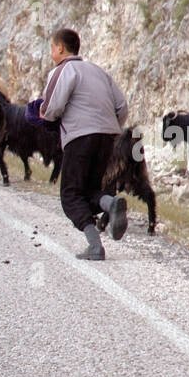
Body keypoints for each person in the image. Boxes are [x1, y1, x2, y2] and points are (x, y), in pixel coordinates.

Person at [29, 28, 130, 260]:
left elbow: (52, 107)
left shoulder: (63, 70)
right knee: (91, 190)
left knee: (70, 195)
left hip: (80, 137)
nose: (51, 53)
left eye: (52, 48)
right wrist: (111, 127)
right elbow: (122, 106)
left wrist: (41, 116)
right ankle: (111, 202)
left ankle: (95, 246)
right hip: (107, 136)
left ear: (60, 48)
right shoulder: (99, 71)